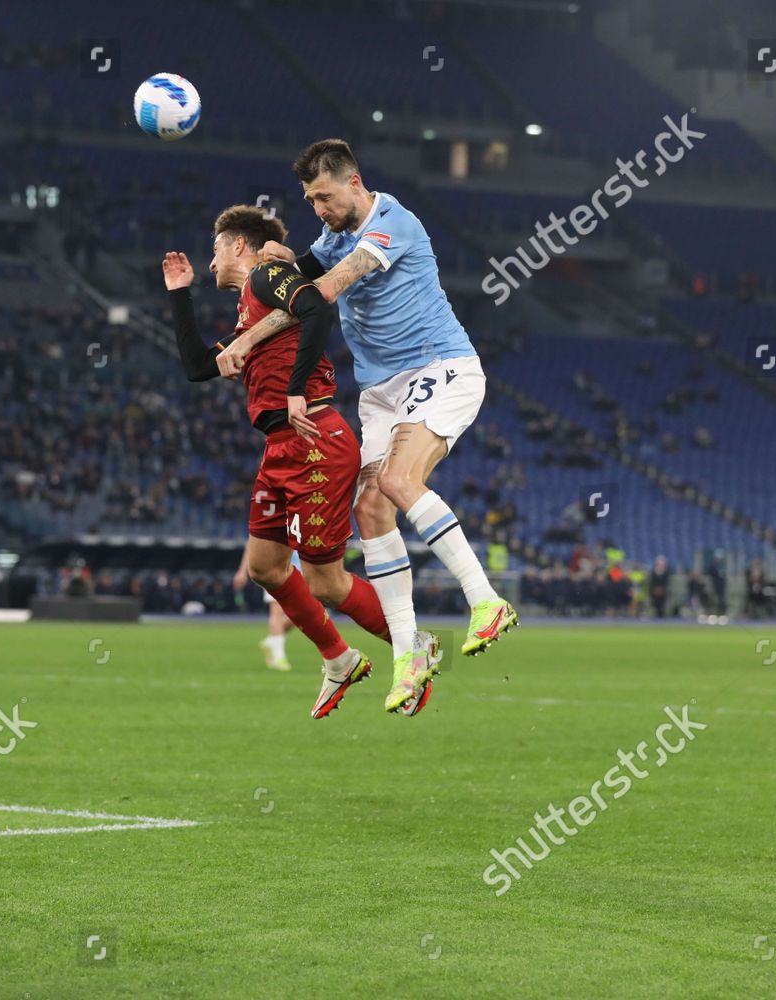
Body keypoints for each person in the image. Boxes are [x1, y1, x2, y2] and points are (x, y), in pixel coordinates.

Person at [223, 139, 514, 710]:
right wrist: (264, 278)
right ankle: (409, 656)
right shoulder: (330, 237)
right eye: (310, 201)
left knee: (401, 482)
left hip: (438, 364)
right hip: (380, 392)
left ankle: (486, 601)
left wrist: (253, 326)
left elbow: (325, 291)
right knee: (370, 505)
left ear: (354, 183)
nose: (319, 210)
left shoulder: (392, 222)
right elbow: (293, 286)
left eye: (324, 197)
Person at [163, 203, 434, 719]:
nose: (211, 259)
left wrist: (293, 390)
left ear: (239, 244)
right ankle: (339, 658)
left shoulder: (268, 275)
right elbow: (200, 367)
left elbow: (317, 308)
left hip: (314, 438)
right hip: (280, 446)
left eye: (215, 247)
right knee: (266, 567)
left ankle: (414, 643)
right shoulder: (252, 307)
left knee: (325, 582)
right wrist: (180, 293)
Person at [234, 546, 296, 671]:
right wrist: (242, 571)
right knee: (276, 611)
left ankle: (271, 641)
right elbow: (252, 544)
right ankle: (279, 656)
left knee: (302, 614)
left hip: (300, 570)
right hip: (275, 569)